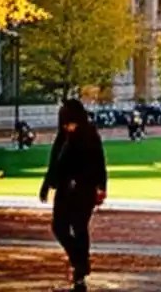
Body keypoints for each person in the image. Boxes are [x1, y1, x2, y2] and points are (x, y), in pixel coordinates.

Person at [39, 99, 107, 292]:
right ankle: (79, 261)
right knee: (59, 227)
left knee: (79, 227)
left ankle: (79, 273)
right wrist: (47, 184)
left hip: (83, 189)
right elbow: (55, 162)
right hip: (64, 189)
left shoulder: (88, 134)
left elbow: (98, 161)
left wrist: (100, 185)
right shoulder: (63, 136)